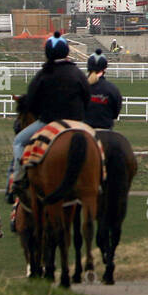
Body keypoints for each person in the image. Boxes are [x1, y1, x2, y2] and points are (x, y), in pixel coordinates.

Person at [8, 31, 91, 203]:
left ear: (48, 53)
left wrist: (41, 113)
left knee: (19, 141)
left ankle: (18, 177)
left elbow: (31, 101)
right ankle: (100, 177)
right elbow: (87, 96)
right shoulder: (78, 73)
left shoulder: (43, 74)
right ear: (66, 51)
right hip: (75, 123)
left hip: (48, 123)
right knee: (96, 142)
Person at [84, 49, 123, 130]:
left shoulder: (80, 86)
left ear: (88, 67)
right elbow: (115, 114)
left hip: (84, 131)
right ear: (105, 68)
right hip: (106, 132)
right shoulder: (112, 89)